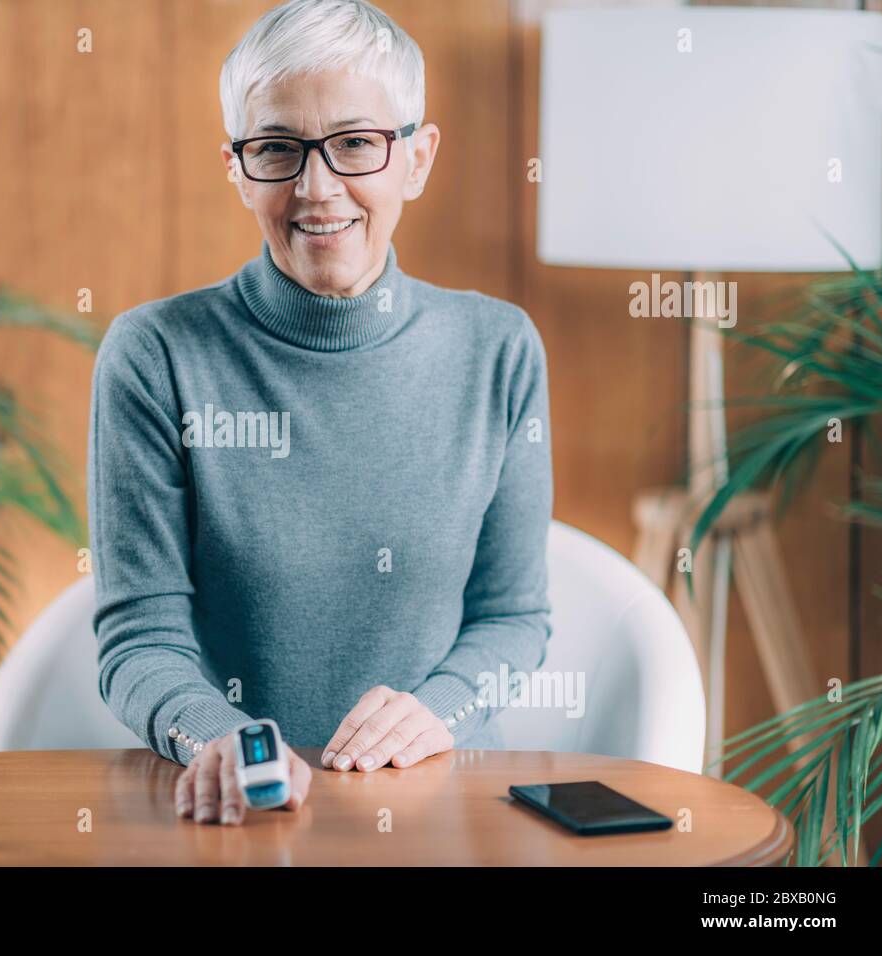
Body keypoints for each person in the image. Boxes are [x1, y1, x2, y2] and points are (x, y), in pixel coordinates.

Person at [86, 0, 552, 826]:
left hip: (435, 813)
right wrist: (222, 742)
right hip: (233, 812)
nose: (316, 186)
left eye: (355, 143)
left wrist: (436, 710)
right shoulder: (154, 355)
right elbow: (139, 640)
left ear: (416, 157)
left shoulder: (499, 349)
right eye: (276, 148)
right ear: (236, 168)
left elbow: (513, 617)